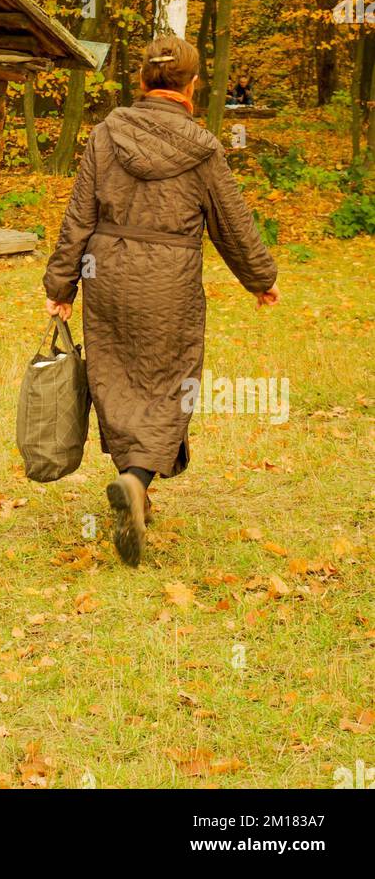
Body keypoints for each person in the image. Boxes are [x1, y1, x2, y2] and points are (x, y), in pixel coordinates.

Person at [42, 34, 278, 567]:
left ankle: (137, 492)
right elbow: (231, 224)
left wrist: (61, 285)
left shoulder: (105, 135)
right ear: (191, 85)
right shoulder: (203, 147)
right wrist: (260, 277)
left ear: (143, 80)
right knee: (172, 383)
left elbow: (79, 216)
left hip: (105, 274)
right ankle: (136, 478)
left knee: (115, 378)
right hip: (169, 279)